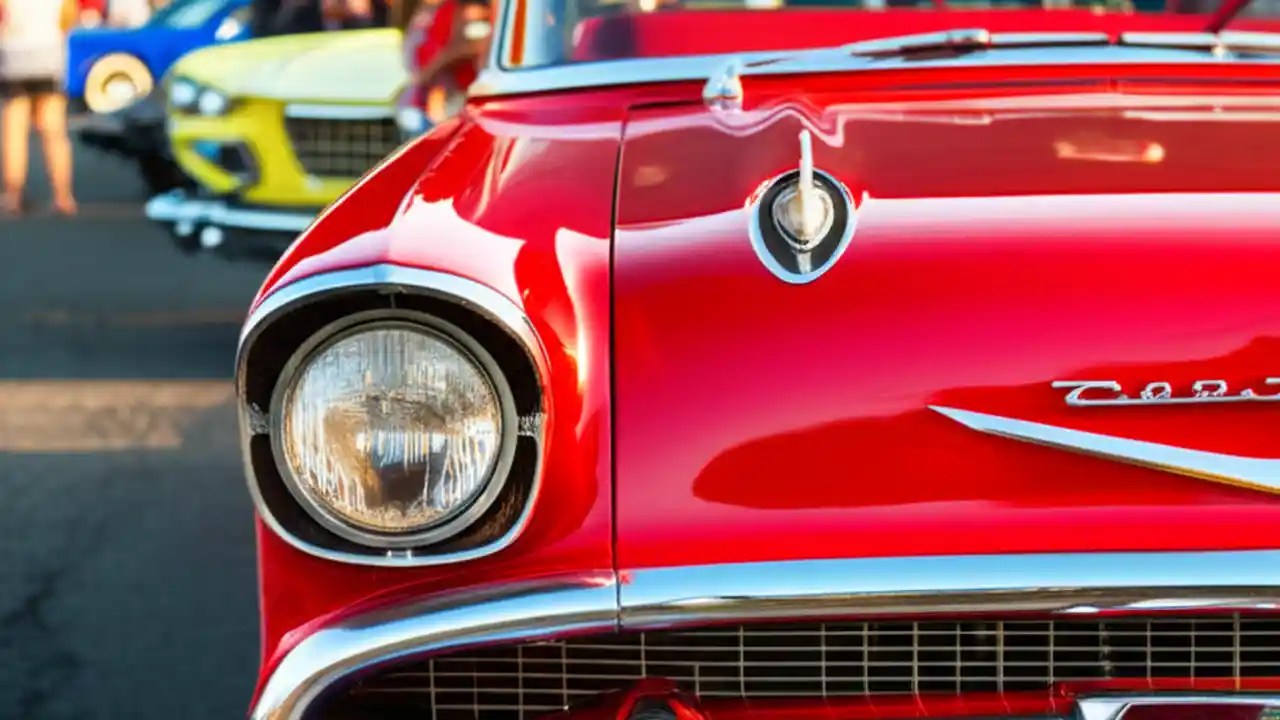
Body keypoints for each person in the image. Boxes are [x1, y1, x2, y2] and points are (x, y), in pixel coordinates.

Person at [0, 0, 79, 216]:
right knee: (54, 129)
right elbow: (69, 18)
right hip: (50, 54)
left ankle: (12, 196)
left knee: (14, 130)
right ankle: (63, 196)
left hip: (14, 55)